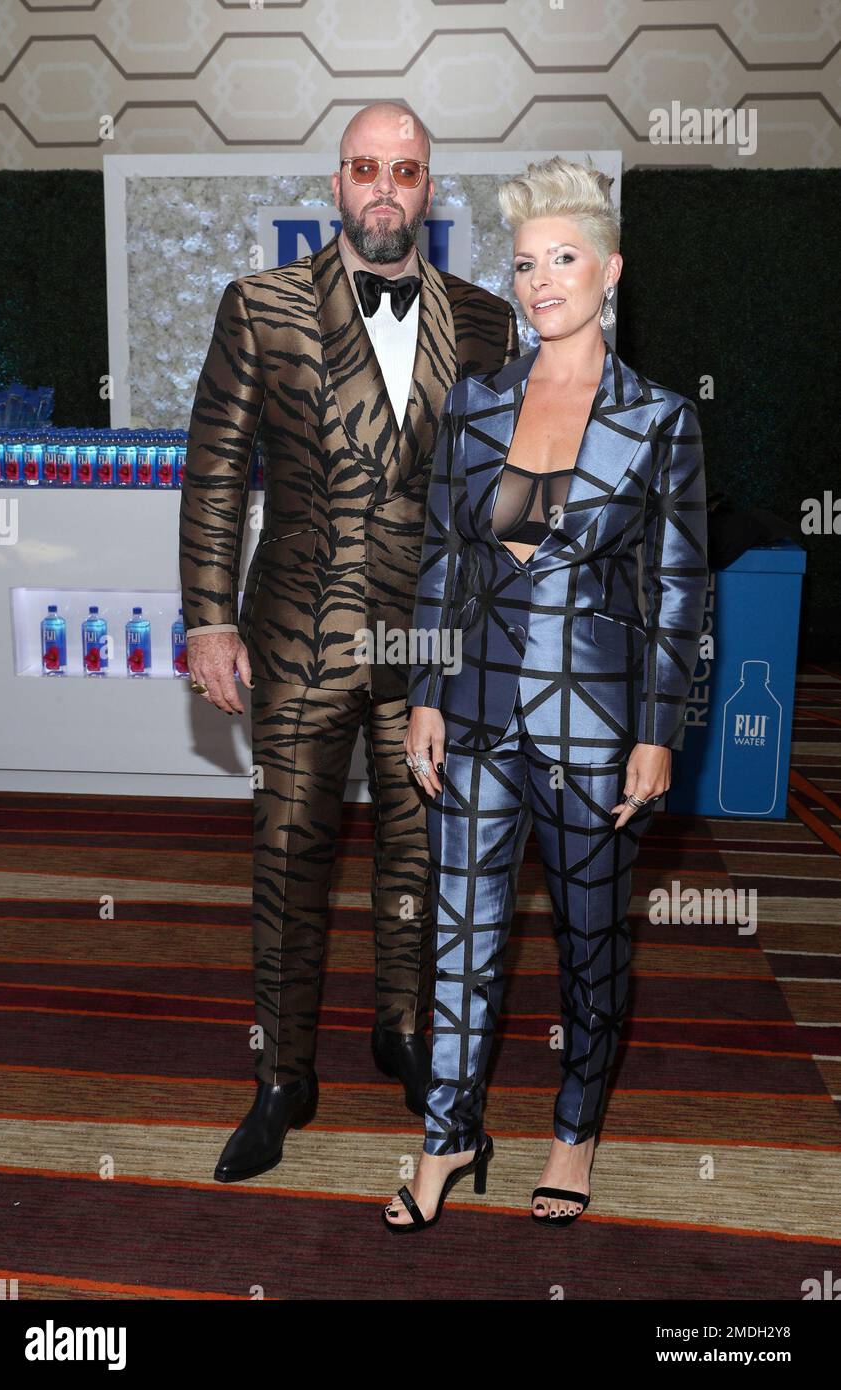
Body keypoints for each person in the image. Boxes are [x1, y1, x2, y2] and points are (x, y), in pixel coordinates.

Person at [178, 101, 519, 1182]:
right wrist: (206, 615)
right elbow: (216, 470)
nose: (384, 188)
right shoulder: (259, 307)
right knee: (287, 852)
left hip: (427, 641)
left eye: (405, 170)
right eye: (365, 168)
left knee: (425, 852)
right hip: (295, 630)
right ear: (335, 184)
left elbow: (499, 502)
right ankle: (281, 1077)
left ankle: (403, 1035)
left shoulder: (486, 322)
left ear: (429, 190)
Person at [382, 155, 708, 1230]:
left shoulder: (657, 420)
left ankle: (573, 1134)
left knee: (589, 943)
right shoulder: (475, 404)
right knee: (460, 938)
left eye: (562, 258)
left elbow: (672, 588)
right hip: (474, 716)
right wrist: (426, 691)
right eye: (524, 263)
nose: (539, 280)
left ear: (607, 269)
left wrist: (657, 732)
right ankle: (446, 1137)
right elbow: (442, 557)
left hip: (595, 727)